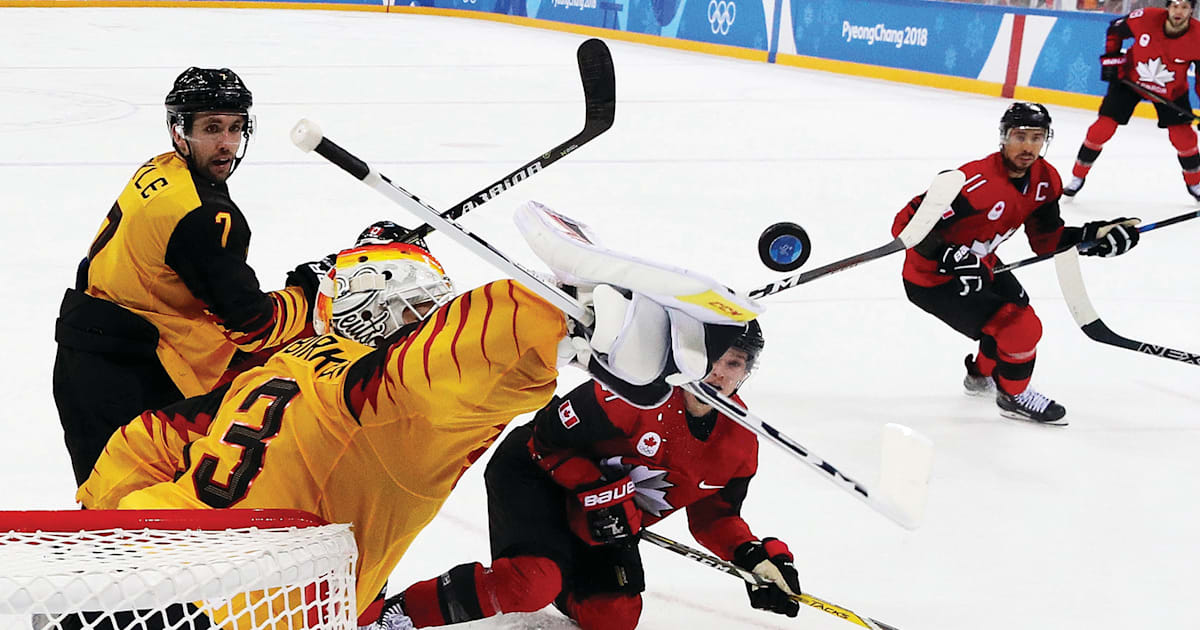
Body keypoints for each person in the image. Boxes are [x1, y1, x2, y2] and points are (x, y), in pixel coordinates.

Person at [75, 219, 756, 627]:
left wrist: (126, 518)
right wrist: (559, 321)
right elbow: (454, 358)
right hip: (251, 610)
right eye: (419, 308)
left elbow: (143, 442)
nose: (427, 320)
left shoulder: (271, 372)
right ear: (388, 313)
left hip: (128, 573)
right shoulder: (377, 396)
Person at [384, 320, 801, 630]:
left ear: (747, 371)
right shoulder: (637, 393)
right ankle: (396, 613)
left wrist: (754, 556)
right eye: (713, 358)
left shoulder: (741, 443)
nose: (719, 373)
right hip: (534, 475)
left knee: (614, 618)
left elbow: (715, 518)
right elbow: (543, 440)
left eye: (734, 363)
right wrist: (601, 490)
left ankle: (559, 568)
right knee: (530, 583)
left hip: (604, 522)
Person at [52, 67, 320, 486]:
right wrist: (309, 289)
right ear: (180, 132)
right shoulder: (201, 212)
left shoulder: (160, 171)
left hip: (96, 350)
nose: (227, 144)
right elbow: (254, 327)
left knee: (120, 515)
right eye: (212, 128)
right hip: (126, 378)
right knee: (129, 523)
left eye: (235, 128)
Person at [893, 102, 1141, 425]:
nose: (1028, 147)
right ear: (1004, 137)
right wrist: (948, 256)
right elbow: (905, 223)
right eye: (1020, 136)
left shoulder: (1045, 180)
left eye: (1037, 137)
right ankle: (1014, 395)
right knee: (1021, 326)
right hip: (932, 280)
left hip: (982, 265)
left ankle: (981, 376)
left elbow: (1045, 241)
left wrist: (1091, 237)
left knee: (1015, 308)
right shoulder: (974, 183)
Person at [1064, 0, 1200, 200]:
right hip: (1129, 81)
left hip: (1170, 91)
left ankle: (1195, 183)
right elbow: (1115, 29)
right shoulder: (1146, 18)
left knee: (1184, 139)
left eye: (1184, 7)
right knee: (1100, 130)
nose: (1178, 11)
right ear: (1167, 7)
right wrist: (1112, 58)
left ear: (1192, 10)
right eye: (1174, 5)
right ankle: (1077, 177)